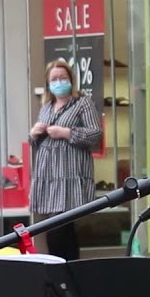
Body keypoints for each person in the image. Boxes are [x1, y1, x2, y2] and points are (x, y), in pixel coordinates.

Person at [28, 59, 102, 260]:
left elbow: (95, 134)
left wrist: (67, 133)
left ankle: (67, 269)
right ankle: (59, 269)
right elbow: (36, 143)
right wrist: (34, 134)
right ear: (48, 83)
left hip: (70, 173)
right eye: (54, 79)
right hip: (49, 174)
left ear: (71, 80)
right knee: (53, 227)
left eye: (63, 78)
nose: (59, 82)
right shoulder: (46, 107)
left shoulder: (82, 103)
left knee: (61, 226)